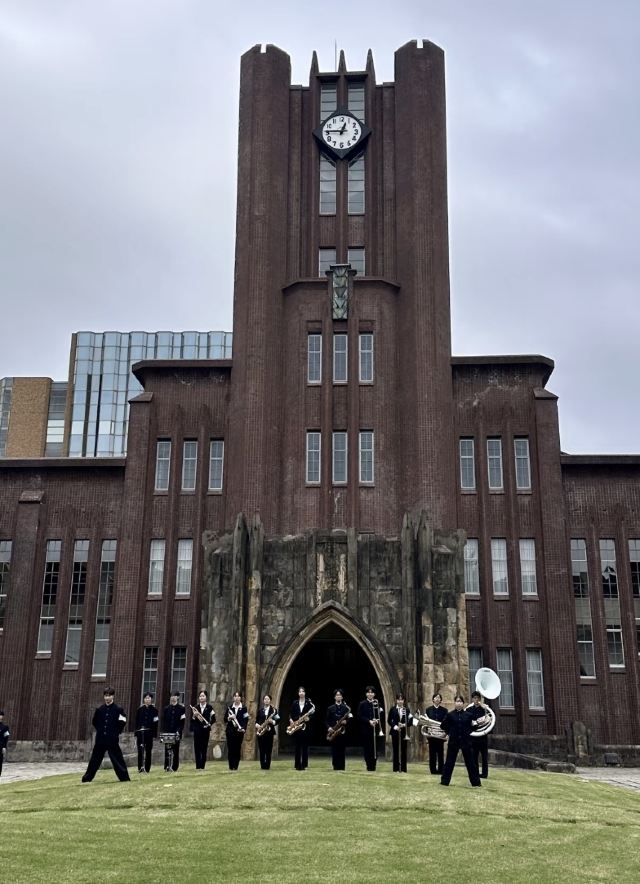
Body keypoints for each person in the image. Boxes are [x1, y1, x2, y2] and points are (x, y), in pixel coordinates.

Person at [81, 688, 130, 783]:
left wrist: (116, 732)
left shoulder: (118, 709)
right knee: (95, 759)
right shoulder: (100, 709)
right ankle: (87, 778)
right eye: (106, 695)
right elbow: (94, 721)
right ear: (104, 697)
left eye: (109, 695)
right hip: (100, 739)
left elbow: (123, 721)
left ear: (113, 696)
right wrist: (100, 730)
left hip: (112, 739)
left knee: (117, 759)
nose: (107, 697)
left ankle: (124, 778)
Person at [439, 695, 481, 787]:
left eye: (460, 701)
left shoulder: (469, 715)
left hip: (466, 742)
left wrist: (474, 726)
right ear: (455, 703)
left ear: (463, 703)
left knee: (470, 763)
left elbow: (473, 727)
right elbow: (443, 726)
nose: (459, 703)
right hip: (453, 742)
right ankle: (444, 781)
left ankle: (476, 783)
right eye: (457, 701)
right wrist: (450, 731)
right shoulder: (450, 715)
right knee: (449, 762)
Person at [325, 689, 352, 771]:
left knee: (342, 750)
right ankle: (335, 766)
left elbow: (350, 718)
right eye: (337, 695)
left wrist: (346, 721)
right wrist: (329, 727)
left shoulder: (346, 708)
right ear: (334, 697)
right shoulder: (330, 708)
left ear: (342, 697)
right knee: (334, 750)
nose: (338, 696)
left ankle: (342, 766)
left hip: (342, 732)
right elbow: (326, 720)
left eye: (340, 695)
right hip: (333, 731)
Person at [357, 685, 383, 772]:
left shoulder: (377, 703)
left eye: (372, 692)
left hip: (375, 729)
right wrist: (369, 721)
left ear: (374, 694)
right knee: (367, 748)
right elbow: (360, 716)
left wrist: (376, 720)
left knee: (375, 748)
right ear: (366, 694)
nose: (370, 694)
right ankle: (369, 766)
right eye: (368, 692)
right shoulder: (362, 704)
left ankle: (374, 765)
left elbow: (381, 715)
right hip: (366, 730)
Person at [289, 686, 314, 771]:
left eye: (303, 691)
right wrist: (291, 720)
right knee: (297, 746)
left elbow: (312, 714)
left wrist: (309, 718)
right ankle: (297, 764)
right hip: (296, 726)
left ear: (305, 693)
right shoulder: (294, 703)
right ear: (298, 693)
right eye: (300, 692)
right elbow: (290, 713)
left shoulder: (309, 703)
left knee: (305, 747)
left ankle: (304, 764)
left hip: (305, 727)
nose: (301, 693)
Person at [190, 689, 216, 770]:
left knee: (204, 748)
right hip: (197, 731)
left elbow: (214, 718)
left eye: (203, 696)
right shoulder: (195, 707)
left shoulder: (209, 707)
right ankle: (198, 766)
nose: (201, 697)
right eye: (200, 696)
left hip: (205, 730)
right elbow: (192, 721)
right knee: (197, 748)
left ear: (206, 697)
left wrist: (209, 724)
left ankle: (202, 766)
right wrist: (194, 715)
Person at [135, 692, 159, 773]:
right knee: (140, 751)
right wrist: (136, 733)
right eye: (146, 698)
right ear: (144, 700)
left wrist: (154, 734)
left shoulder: (155, 710)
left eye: (149, 698)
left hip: (149, 734)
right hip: (140, 734)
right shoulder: (139, 710)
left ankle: (147, 768)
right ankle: (140, 768)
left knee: (148, 751)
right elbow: (137, 722)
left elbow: (156, 723)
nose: (147, 699)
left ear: (151, 699)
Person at [388, 692, 412, 773]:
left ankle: (404, 769)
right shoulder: (392, 709)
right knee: (395, 750)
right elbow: (389, 720)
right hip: (395, 732)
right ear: (396, 700)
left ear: (404, 701)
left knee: (403, 751)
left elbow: (411, 721)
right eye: (399, 699)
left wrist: (404, 725)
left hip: (403, 732)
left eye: (402, 700)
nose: (400, 701)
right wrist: (395, 726)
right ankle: (396, 769)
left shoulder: (407, 710)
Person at [424, 691, 448, 775]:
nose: (437, 699)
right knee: (432, 753)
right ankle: (433, 770)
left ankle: (441, 770)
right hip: (432, 735)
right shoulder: (428, 710)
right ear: (433, 699)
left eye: (439, 697)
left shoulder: (444, 710)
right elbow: (426, 723)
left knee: (440, 753)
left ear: (440, 700)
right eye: (436, 697)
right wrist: (428, 733)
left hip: (440, 735)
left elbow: (445, 722)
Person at [162, 691, 186, 772]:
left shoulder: (182, 708)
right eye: (172, 696)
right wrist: (164, 731)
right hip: (168, 732)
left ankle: (175, 767)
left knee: (175, 751)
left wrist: (178, 731)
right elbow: (164, 721)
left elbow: (182, 722)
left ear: (178, 697)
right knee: (167, 750)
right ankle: (167, 766)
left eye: (175, 696)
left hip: (176, 733)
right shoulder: (166, 709)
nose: (173, 697)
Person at [224, 691, 249, 770]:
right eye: (235, 696)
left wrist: (243, 728)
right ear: (233, 698)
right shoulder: (230, 708)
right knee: (230, 748)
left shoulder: (244, 708)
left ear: (241, 698)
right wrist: (229, 718)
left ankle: (236, 765)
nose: (237, 698)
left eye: (238, 696)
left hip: (239, 731)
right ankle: (231, 766)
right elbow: (225, 719)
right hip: (230, 731)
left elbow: (246, 719)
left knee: (237, 749)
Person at [468, 690, 489, 779]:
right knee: (474, 756)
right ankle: (475, 773)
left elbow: (489, 719)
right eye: (475, 698)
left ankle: (484, 774)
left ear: (480, 699)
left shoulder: (484, 709)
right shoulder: (469, 709)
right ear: (472, 699)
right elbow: (468, 722)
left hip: (483, 736)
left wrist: (485, 709)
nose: (476, 700)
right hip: (474, 736)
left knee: (484, 757)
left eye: (478, 698)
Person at [255, 693, 279, 770]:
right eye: (265, 699)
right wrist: (257, 725)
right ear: (263, 701)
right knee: (262, 750)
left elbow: (278, 720)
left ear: (270, 700)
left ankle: (267, 766)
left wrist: (273, 722)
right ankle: (262, 766)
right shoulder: (260, 710)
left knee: (268, 750)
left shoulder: (274, 710)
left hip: (269, 732)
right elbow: (256, 720)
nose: (266, 700)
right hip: (261, 731)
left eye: (268, 699)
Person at [0, 710, 9, 778]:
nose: (1, 717)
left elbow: (6, 737)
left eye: (1, 716)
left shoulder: (5, 727)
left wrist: (4, 747)